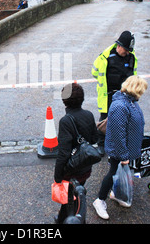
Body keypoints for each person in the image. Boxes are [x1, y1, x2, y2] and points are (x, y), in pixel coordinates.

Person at [92, 75, 148, 220]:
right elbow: (118, 133)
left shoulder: (130, 101)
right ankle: (99, 200)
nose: (142, 94)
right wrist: (123, 156)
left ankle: (115, 194)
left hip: (127, 148)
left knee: (117, 172)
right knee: (112, 174)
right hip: (120, 150)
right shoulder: (121, 106)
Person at [53, 83, 98, 223]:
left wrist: (58, 176)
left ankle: (67, 219)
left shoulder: (65, 121)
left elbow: (63, 153)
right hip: (85, 165)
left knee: (68, 196)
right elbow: (94, 139)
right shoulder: (89, 115)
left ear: (64, 100)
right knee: (79, 191)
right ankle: (64, 217)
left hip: (71, 169)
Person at [91, 31, 138, 155]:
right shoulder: (105, 57)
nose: (127, 52)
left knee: (124, 120)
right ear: (119, 45)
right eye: (126, 50)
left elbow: (134, 75)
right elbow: (94, 72)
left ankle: (118, 144)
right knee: (104, 121)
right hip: (108, 95)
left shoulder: (131, 57)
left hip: (124, 96)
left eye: (129, 50)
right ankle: (101, 144)